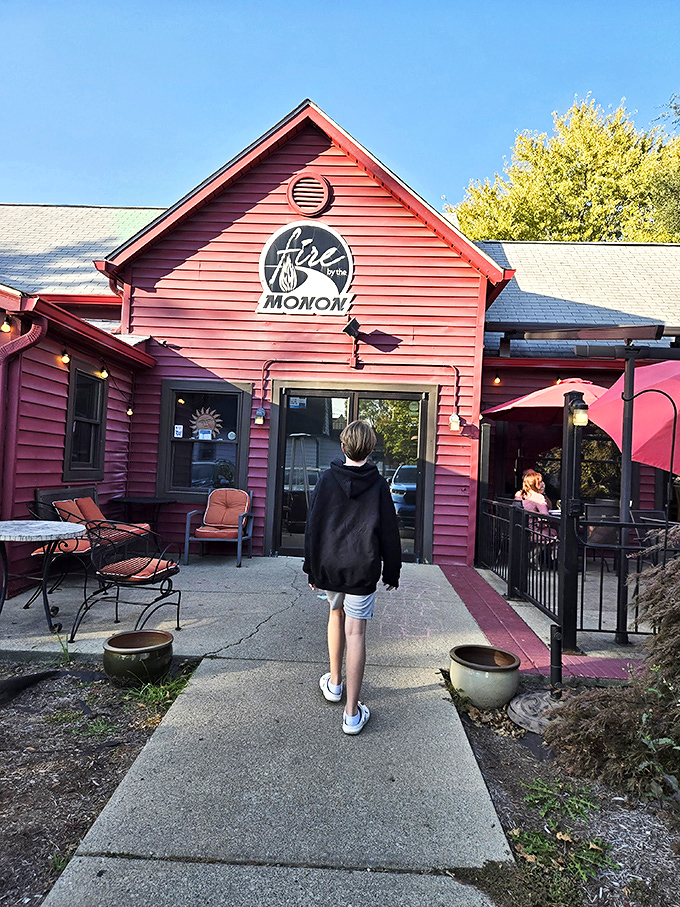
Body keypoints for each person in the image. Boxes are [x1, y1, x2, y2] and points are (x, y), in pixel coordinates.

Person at [303, 420, 402, 735]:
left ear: (342, 447)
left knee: (335, 612)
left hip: (330, 568)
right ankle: (351, 714)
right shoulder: (378, 484)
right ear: (371, 449)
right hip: (362, 569)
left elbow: (313, 527)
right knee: (356, 633)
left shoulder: (326, 480)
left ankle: (334, 684)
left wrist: (311, 568)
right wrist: (393, 570)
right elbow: (390, 532)